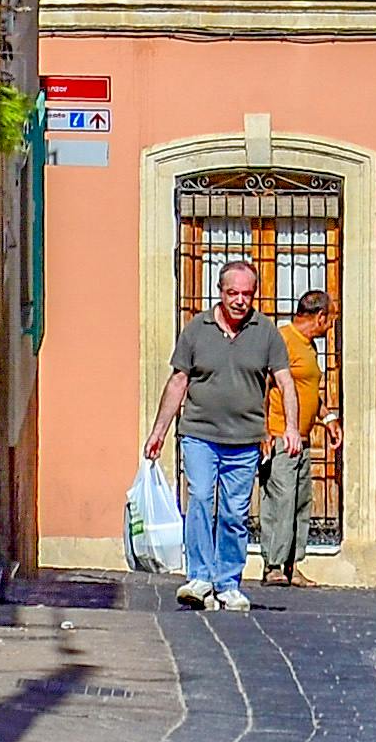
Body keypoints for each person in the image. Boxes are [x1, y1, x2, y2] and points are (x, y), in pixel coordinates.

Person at [144, 258, 293, 612]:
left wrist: (289, 428)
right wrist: (158, 431)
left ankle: (227, 583)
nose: (240, 300)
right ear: (220, 293)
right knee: (199, 499)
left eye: (247, 293)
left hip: (244, 439)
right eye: (233, 293)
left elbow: (285, 381)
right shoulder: (196, 330)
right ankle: (199, 577)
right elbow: (179, 381)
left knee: (234, 512)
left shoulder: (266, 332)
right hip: (199, 434)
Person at [259, 290, 338, 587]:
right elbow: (264, 386)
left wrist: (328, 418)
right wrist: (264, 431)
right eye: (330, 320)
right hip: (280, 435)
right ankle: (273, 565)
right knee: (280, 500)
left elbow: (308, 391)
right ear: (319, 317)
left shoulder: (309, 348)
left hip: (303, 438)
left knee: (301, 501)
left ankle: (292, 564)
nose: (330, 327)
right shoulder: (282, 340)